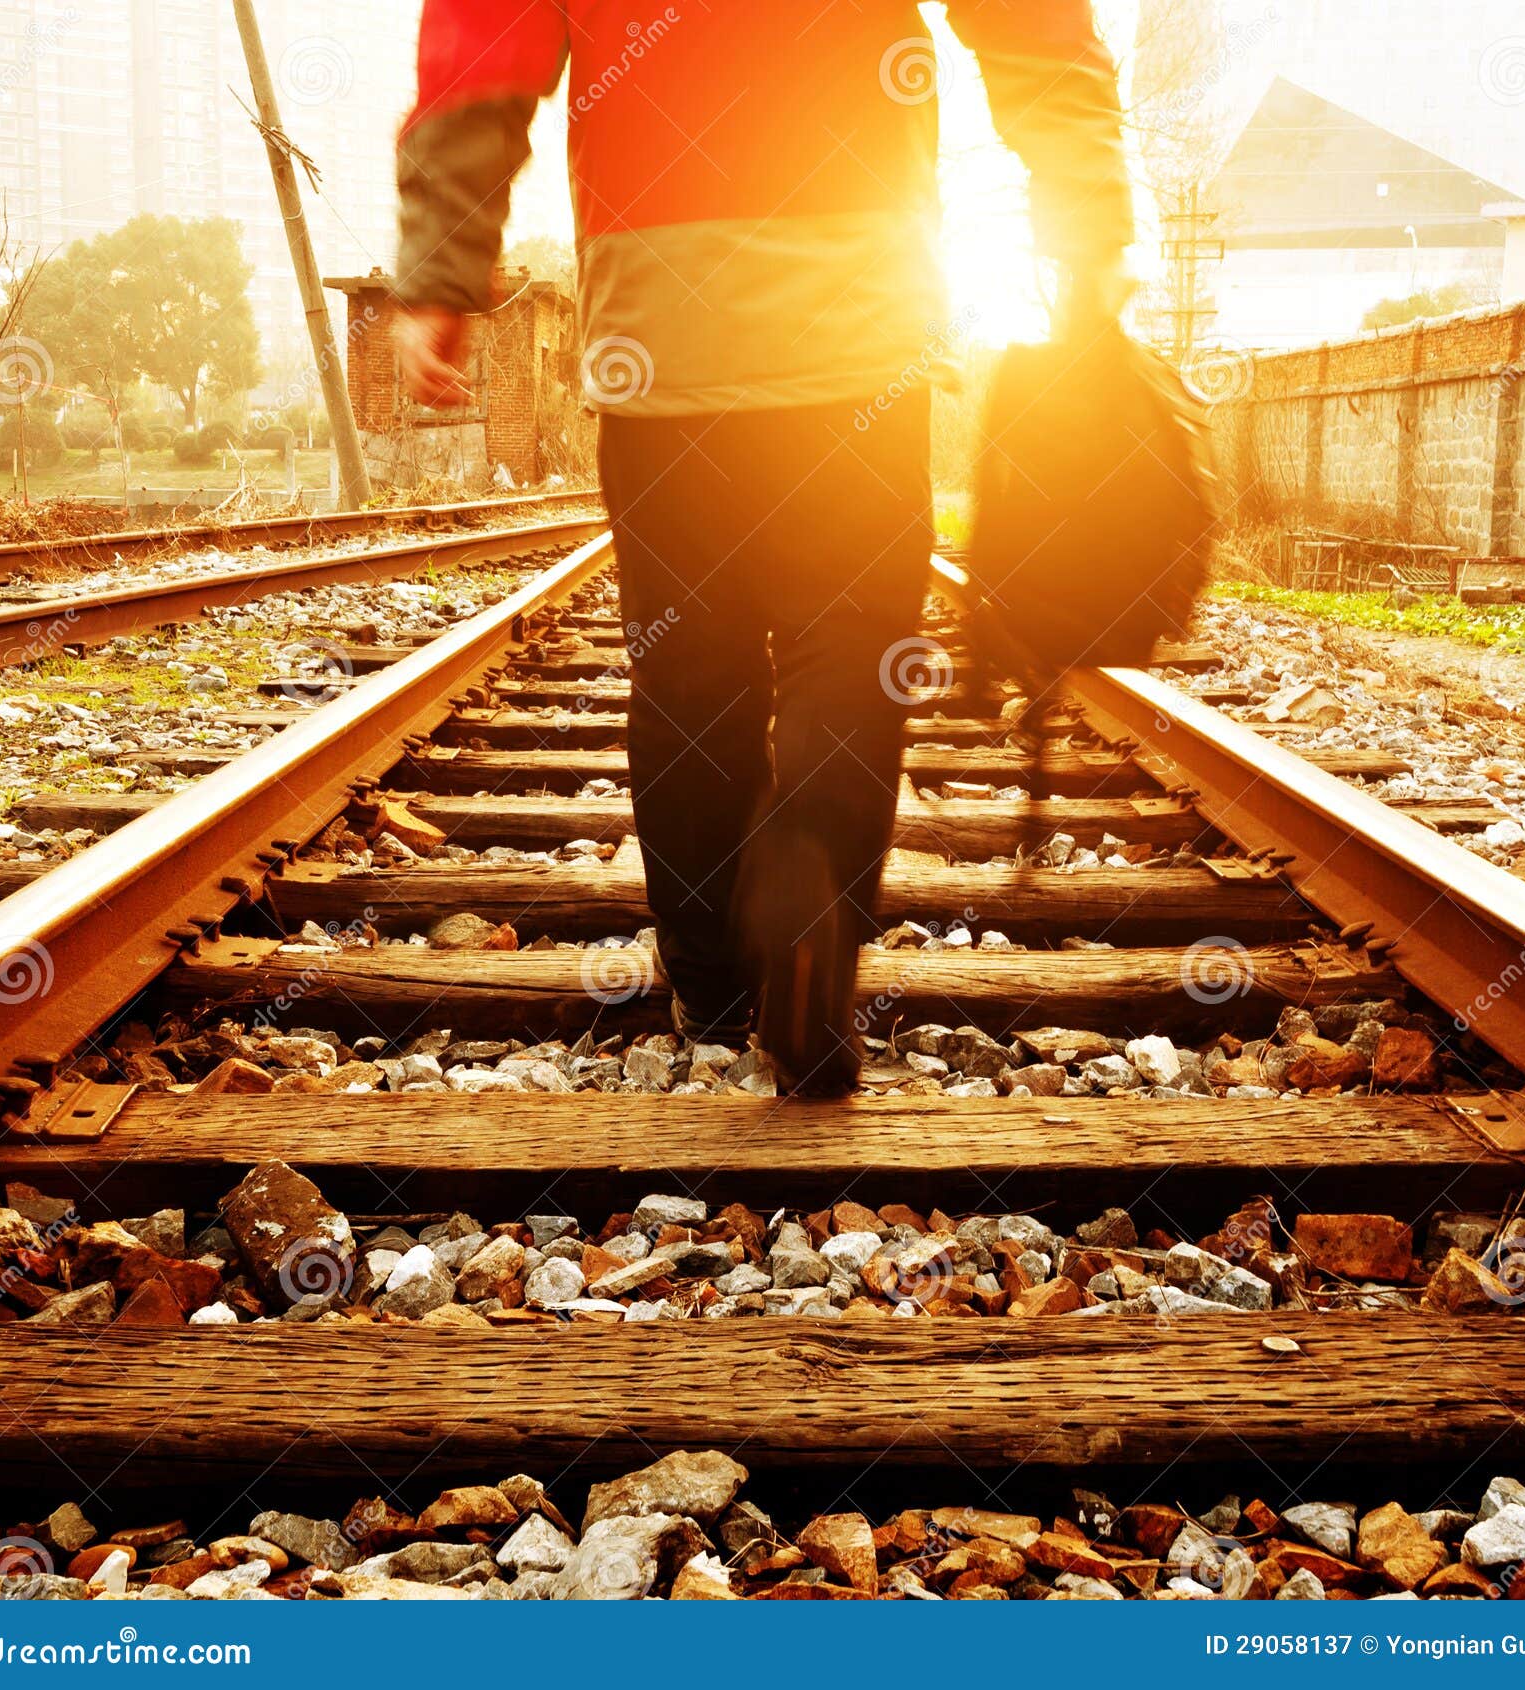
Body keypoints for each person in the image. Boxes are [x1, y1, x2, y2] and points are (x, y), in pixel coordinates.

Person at [394, 1, 1133, 1095]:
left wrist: (444, 267)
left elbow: (482, 45)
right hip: (858, 314)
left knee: (691, 664)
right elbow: (1032, 23)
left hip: (661, 327)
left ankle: (710, 985)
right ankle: (811, 886)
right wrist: (1088, 222)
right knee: (852, 638)